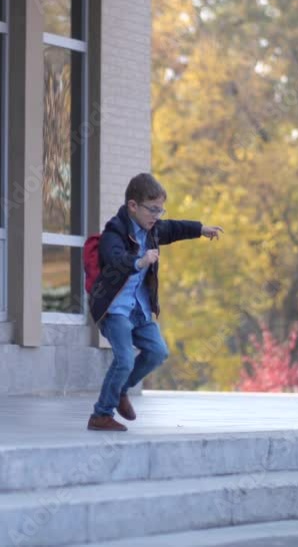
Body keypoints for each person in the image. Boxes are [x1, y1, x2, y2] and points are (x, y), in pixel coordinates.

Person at [87, 173, 223, 431]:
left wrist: (201, 229)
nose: (156, 216)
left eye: (160, 210)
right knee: (125, 360)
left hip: (139, 310)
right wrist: (139, 261)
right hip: (115, 310)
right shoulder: (113, 232)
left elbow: (173, 228)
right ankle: (100, 414)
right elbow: (114, 259)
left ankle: (120, 390)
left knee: (157, 352)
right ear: (133, 206)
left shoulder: (152, 230)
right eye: (152, 210)